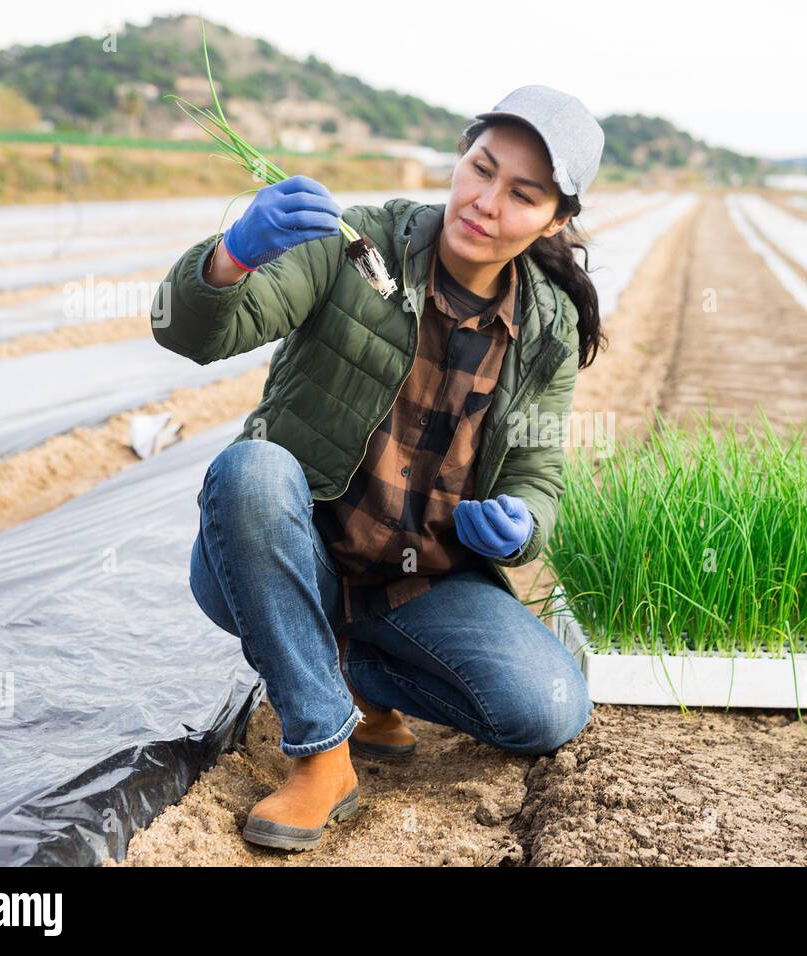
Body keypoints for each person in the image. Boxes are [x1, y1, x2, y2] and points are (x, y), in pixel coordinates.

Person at [153, 85, 607, 851]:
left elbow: (538, 471)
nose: (485, 201)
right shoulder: (355, 245)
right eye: (480, 168)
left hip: (422, 584)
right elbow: (191, 335)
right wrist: (230, 258)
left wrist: (522, 523)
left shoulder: (549, 329)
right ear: (459, 160)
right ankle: (323, 752)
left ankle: (352, 672)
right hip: (298, 560)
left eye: (522, 195)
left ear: (556, 221)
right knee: (252, 469)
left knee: (550, 707)